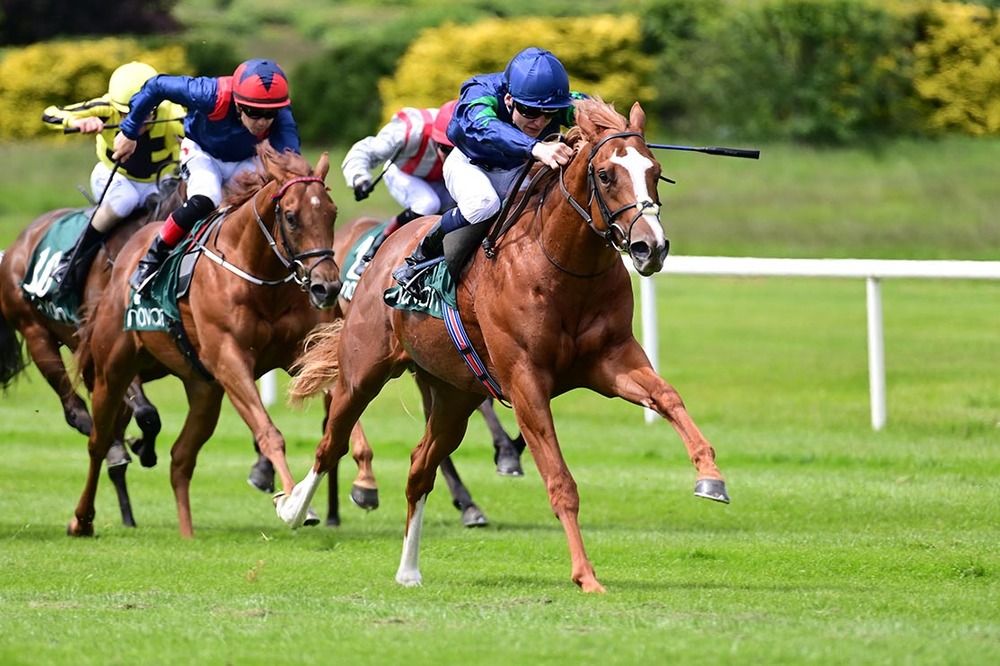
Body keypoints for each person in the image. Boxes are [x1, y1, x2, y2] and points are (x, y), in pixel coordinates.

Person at [393, 47, 583, 287]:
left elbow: (590, 109)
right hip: (470, 165)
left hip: (518, 169)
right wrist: (536, 147)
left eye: (550, 114)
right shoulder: (479, 91)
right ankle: (421, 256)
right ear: (509, 100)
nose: (541, 121)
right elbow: (482, 125)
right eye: (531, 112)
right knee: (485, 204)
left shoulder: (552, 100)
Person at [111, 58, 301, 292]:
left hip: (245, 158)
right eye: (254, 112)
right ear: (239, 105)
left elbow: (292, 164)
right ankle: (153, 257)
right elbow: (156, 85)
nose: (262, 121)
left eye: (270, 114)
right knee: (206, 197)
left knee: (266, 203)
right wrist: (130, 131)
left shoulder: (282, 116)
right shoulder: (210, 93)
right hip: (203, 153)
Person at [41, 61, 185, 298]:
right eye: (125, 114)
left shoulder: (174, 114)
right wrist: (76, 122)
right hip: (115, 176)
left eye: (145, 112)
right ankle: (71, 261)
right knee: (124, 201)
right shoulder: (104, 107)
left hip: (158, 182)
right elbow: (50, 114)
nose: (136, 120)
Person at [342, 99, 458, 267]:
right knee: (428, 203)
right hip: (401, 172)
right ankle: (378, 246)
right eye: (446, 149)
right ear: (434, 138)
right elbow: (364, 150)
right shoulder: (408, 131)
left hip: (439, 177)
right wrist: (359, 177)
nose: (450, 157)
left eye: (457, 150)